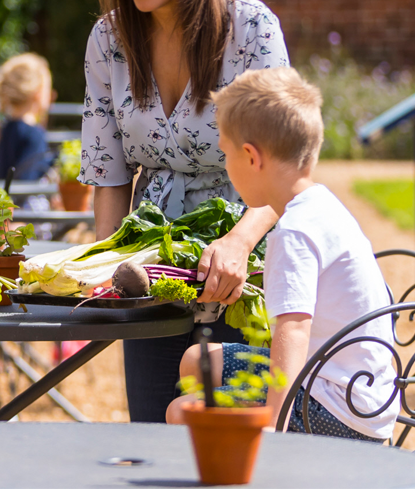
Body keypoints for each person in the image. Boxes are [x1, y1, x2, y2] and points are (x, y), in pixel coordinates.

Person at [78, 0, 290, 422]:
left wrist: (240, 244)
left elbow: (285, 168)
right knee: (153, 442)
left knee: (235, 450)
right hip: (151, 278)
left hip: (249, 276)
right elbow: (109, 174)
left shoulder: (252, 30)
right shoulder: (108, 40)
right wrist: (106, 270)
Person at [166, 68, 396, 442]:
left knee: (181, 411)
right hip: (356, 389)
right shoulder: (320, 204)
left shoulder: (294, 232)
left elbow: (293, 331)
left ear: (251, 157)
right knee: (197, 361)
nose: (225, 165)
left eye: (225, 153)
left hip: (338, 411)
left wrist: (273, 424)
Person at [0, 53, 56, 201]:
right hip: (26, 216)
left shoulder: (5, 127)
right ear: (38, 93)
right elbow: (27, 182)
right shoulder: (33, 134)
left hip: (5, 210)